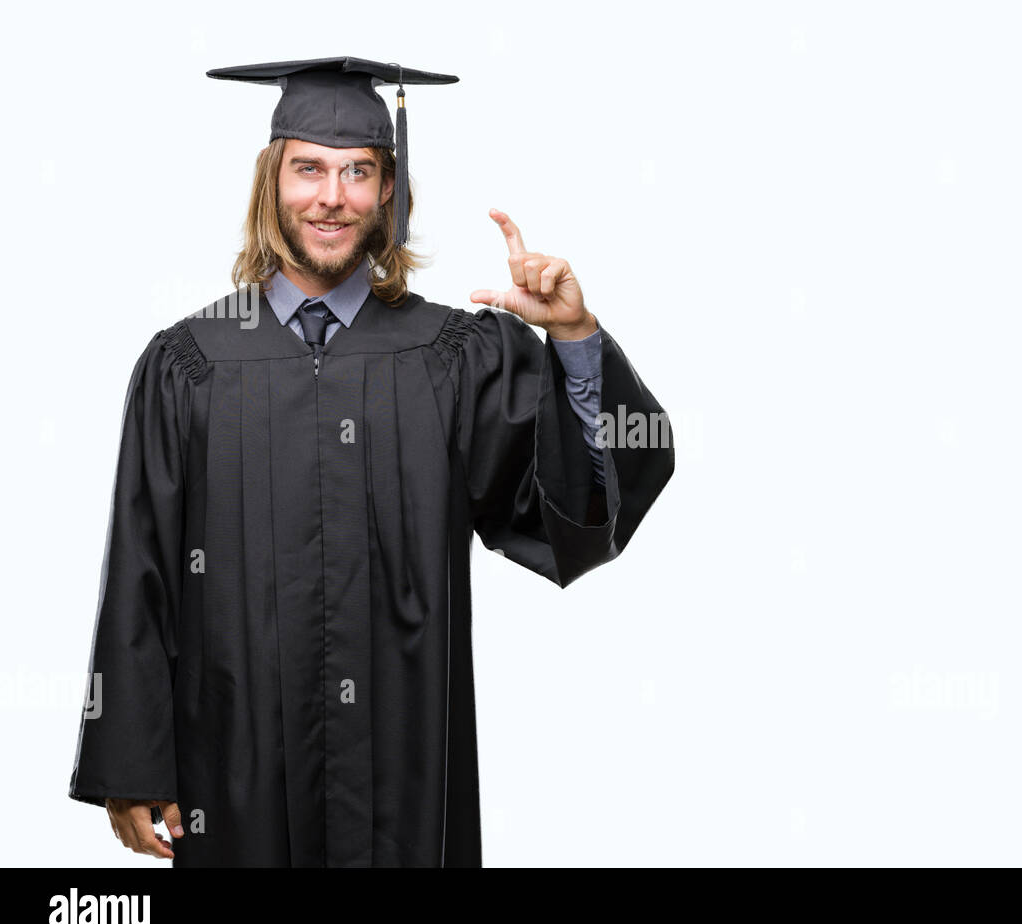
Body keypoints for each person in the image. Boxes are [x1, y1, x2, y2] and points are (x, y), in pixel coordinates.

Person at [68, 56, 674, 867]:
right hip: (234, 777)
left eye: (359, 171)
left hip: (407, 777)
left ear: (390, 190)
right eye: (308, 169)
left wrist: (572, 335)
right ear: (271, 183)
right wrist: (131, 767)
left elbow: (579, 513)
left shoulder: (458, 358)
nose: (332, 196)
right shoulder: (189, 365)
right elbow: (140, 572)